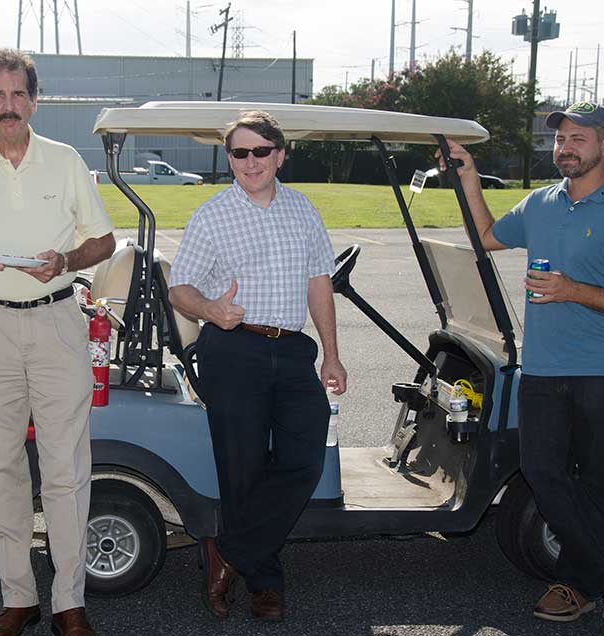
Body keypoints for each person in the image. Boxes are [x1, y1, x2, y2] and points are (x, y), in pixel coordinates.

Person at [441, 102, 604, 636]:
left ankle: (575, 584)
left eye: (579, 139)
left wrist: (574, 291)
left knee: (597, 485)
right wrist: (470, 178)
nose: (565, 147)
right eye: (561, 138)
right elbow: (489, 236)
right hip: (544, 370)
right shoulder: (543, 203)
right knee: (543, 472)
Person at [0, 48, 115, 636]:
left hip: (58, 320)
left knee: (66, 468)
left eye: (18, 95)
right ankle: (18, 596)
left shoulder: (66, 163)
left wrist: (67, 258)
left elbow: (103, 243)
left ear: (34, 100)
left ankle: (69, 602)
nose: (9, 107)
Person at [168, 110, 347, 623]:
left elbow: (320, 283)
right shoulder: (212, 215)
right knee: (242, 471)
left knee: (304, 459)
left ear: (280, 155)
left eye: (261, 151)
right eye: (240, 153)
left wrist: (332, 353)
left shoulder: (303, 210)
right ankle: (266, 583)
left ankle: (229, 552)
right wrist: (209, 309)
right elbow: (181, 287)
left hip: (292, 349)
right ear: (230, 159)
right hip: (232, 347)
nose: (250, 162)